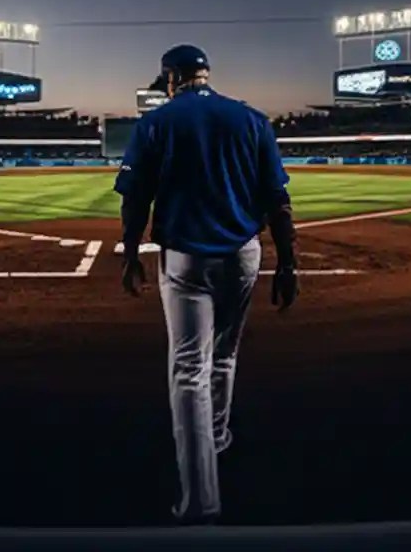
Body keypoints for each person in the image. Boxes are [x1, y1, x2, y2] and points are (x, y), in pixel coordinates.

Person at [114, 44, 299, 525]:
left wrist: (131, 253)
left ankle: (200, 502)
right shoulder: (252, 119)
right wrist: (289, 265)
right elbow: (278, 200)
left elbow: (134, 200)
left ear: (172, 78)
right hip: (244, 254)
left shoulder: (156, 122)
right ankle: (215, 438)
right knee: (225, 355)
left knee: (188, 371)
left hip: (186, 257)